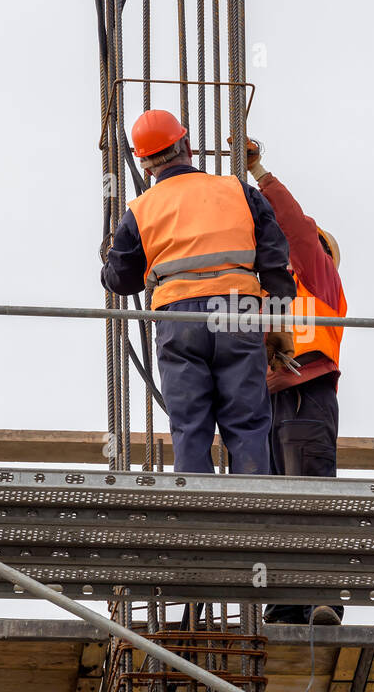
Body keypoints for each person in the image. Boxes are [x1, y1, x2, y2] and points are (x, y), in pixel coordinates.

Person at [101, 109, 295, 475]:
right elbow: (276, 267)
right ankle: (253, 507)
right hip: (236, 311)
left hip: (178, 318)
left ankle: (194, 511)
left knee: (190, 426)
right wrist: (280, 323)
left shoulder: (140, 210)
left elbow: (121, 281)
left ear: (144, 166)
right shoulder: (238, 191)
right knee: (248, 422)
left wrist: (109, 258)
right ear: (186, 144)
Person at [247, 141, 347, 626]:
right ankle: (287, 606)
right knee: (273, 505)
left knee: (309, 497)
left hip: (306, 388)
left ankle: (322, 597)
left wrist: (259, 175)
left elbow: (295, 226)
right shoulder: (272, 293)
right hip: (266, 399)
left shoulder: (319, 277)